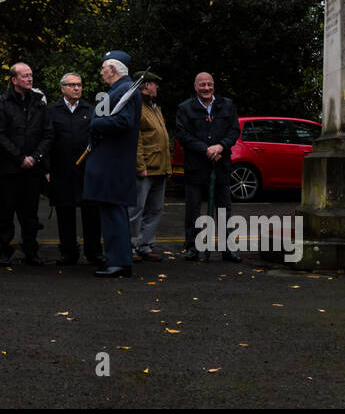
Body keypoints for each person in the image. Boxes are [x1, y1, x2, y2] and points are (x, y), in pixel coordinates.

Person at [83, 51, 141, 278]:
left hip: (112, 162)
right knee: (112, 211)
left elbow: (123, 122)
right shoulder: (119, 90)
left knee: (113, 211)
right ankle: (118, 258)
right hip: (111, 161)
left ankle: (119, 261)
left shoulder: (125, 90)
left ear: (114, 69)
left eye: (104, 68)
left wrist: (95, 123)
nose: (101, 72)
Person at [0, 62, 52, 265]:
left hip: (33, 169)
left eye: (31, 75)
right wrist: (19, 158)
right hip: (11, 169)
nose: (29, 79)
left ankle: (31, 251)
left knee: (31, 214)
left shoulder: (39, 103)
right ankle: (5, 250)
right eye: (25, 76)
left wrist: (36, 157)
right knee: (7, 212)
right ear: (14, 80)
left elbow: (48, 133)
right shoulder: (2, 104)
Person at [175, 72, 241, 262]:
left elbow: (234, 130)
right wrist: (205, 149)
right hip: (196, 166)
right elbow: (182, 134)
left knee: (224, 209)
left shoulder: (226, 105)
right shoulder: (185, 108)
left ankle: (227, 249)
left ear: (213, 86)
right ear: (195, 87)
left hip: (221, 165)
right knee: (193, 209)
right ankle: (193, 247)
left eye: (209, 85)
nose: (206, 88)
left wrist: (220, 146)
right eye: (202, 85)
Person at [45, 72, 101, 266]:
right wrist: (47, 168)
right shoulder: (52, 111)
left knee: (91, 213)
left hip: (87, 170)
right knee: (65, 213)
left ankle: (94, 252)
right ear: (62, 88)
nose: (77, 88)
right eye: (72, 85)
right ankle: (68, 252)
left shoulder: (90, 109)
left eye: (79, 84)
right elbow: (47, 140)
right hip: (61, 170)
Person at [131, 71, 170, 262]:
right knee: (136, 209)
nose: (157, 87)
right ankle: (130, 246)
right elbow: (136, 139)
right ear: (145, 85)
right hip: (146, 167)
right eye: (154, 84)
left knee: (155, 209)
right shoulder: (137, 106)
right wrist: (140, 165)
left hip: (160, 167)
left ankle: (145, 245)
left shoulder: (154, 106)